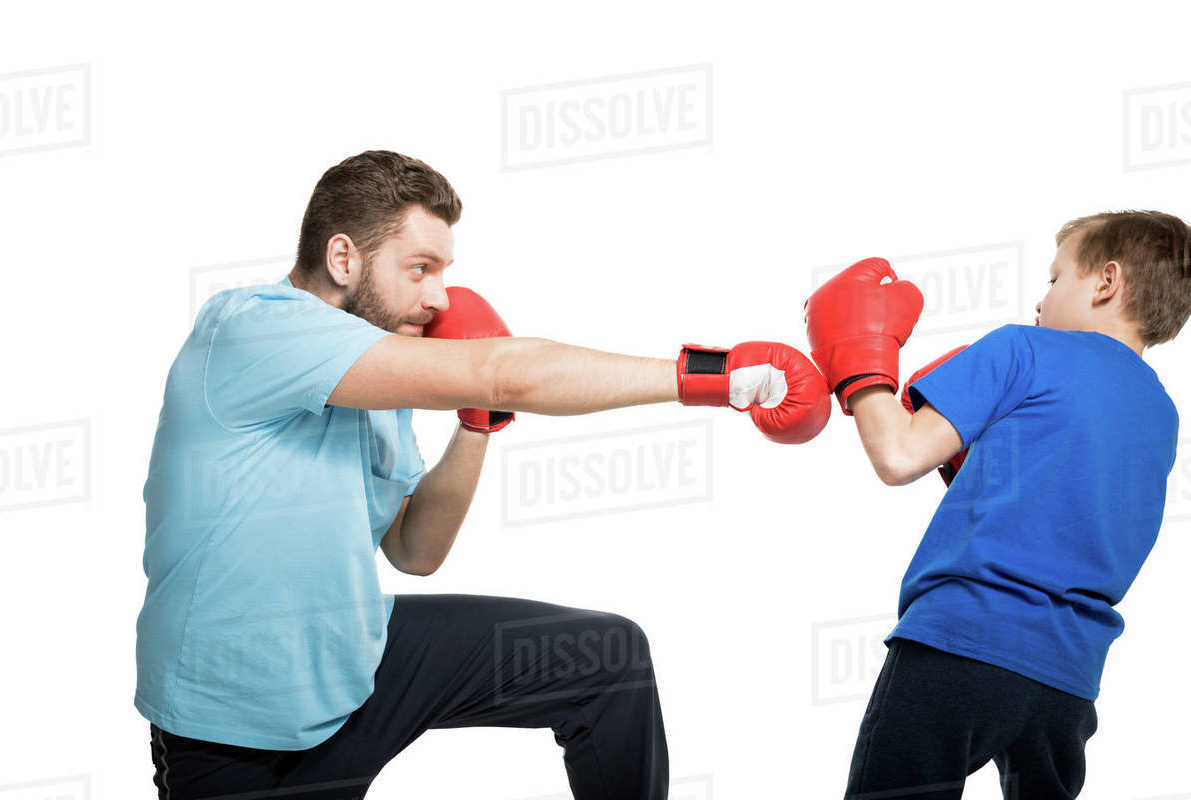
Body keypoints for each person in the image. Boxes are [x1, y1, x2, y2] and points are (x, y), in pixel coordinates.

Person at [136, 150, 831, 799]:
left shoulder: (382, 379)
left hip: (354, 656)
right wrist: (716, 378)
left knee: (609, 660)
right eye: (420, 269)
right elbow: (508, 369)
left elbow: (416, 551)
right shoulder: (252, 329)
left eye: (444, 272)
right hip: (233, 723)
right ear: (343, 258)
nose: (441, 298)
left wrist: (478, 422)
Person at [803, 210, 1191, 799]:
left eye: (1055, 279)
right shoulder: (1162, 415)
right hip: (1067, 683)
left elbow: (899, 454)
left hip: (959, 644)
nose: (1041, 301)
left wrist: (860, 366)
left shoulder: (1024, 348)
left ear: (1105, 282)